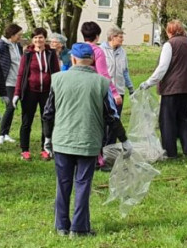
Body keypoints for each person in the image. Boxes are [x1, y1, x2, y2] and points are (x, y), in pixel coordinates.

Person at [43, 43, 129, 237]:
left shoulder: (58, 79)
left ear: (73, 59)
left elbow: (48, 112)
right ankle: (79, 228)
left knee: (63, 183)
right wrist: (124, 139)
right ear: (92, 60)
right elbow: (111, 116)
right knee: (83, 184)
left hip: (62, 141)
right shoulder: (101, 83)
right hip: (88, 141)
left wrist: (48, 137)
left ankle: (61, 226)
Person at [139, 20, 187, 159]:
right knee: (183, 119)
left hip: (172, 88)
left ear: (169, 31)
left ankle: (170, 152)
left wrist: (149, 82)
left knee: (167, 121)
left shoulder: (169, 44)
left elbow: (162, 67)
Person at [13, 27, 58, 161]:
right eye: (35, 37)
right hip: (30, 92)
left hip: (47, 92)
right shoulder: (27, 54)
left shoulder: (51, 53)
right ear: (32, 40)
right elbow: (21, 74)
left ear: (45, 38)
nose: (38, 40)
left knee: (47, 120)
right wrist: (17, 93)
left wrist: (58, 90)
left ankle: (45, 149)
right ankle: (25, 150)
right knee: (27, 121)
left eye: (41, 37)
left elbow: (56, 73)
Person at [0, 24, 23, 145]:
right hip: (7, 82)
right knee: (10, 106)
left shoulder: (17, 45)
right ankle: (1, 135)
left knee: (13, 108)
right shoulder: (1, 46)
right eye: (19, 35)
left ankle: (6, 134)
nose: (20, 37)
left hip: (18, 81)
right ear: (12, 35)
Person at [80, 21, 121, 105]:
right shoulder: (97, 51)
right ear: (97, 36)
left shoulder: (77, 50)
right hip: (92, 88)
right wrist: (114, 93)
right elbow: (103, 74)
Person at [104, 28, 135, 105]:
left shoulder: (123, 52)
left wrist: (130, 88)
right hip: (105, 91)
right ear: (112, 37)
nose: (123, 39)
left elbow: (125, 72)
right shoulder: (101, 50)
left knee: (117, 113)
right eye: (120, 37)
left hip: (119, 91)